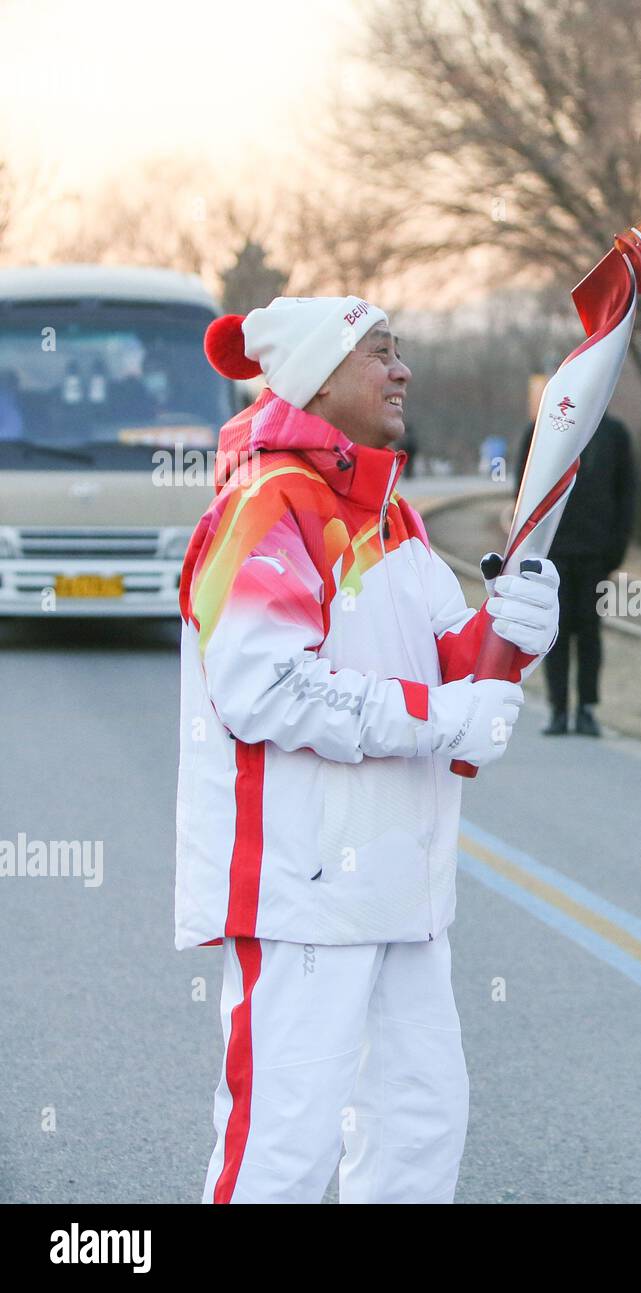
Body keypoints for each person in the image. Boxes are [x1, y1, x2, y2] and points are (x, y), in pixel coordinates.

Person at [177, 296, 560, 1204]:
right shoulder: (266, 506)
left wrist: (512, 633)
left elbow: (456, 667)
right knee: (283, 1149)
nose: (403, 370)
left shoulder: (394, 519)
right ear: (318, 376)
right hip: (301, 894)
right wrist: (445, 714)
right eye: (380, 353)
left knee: (419, 1134)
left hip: (404, 892)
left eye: (400, 351)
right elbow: (264, 689)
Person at [515, 378, 636, 736]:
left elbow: (626, 494)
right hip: (552, 555)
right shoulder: (541, 430)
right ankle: (557, 708)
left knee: (589, 633)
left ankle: (586, 708)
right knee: (554, 632)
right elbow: (522, 491)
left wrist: (616, 549)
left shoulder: (614, 434)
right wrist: (530, 549)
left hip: (596, 552)